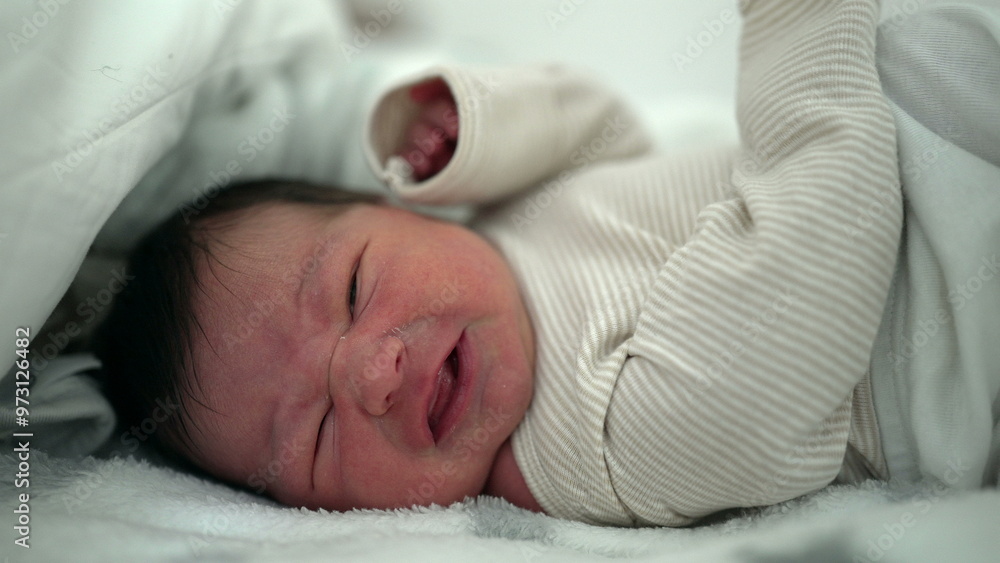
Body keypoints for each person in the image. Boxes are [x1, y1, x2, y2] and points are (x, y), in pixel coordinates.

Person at [94, 0, 1000, 527]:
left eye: (355, 287)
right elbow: (792, 306)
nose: (375, 372)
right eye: (321, 437)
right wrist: (802, 20)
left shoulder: (504, 232)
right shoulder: (579, 452)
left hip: (910, 170)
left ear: (395, 207)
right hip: (940, 293)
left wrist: (480, 133)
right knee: (920, 48)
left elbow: (617, 136)